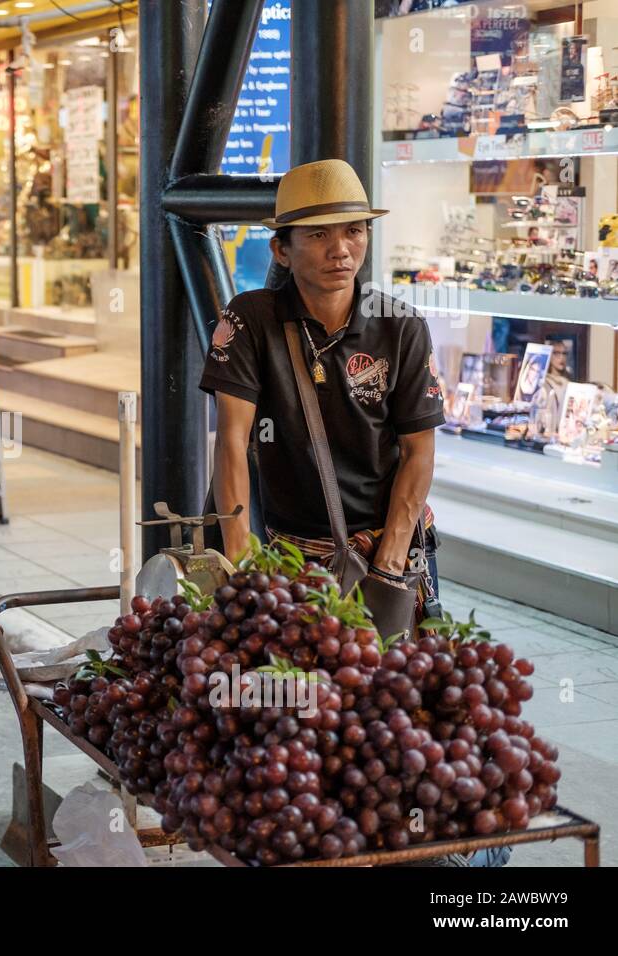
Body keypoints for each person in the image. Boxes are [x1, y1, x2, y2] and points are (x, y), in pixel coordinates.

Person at [201, 159, 508, 866]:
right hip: (294, 562)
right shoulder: (248, 320)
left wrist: (393, 558)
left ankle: (447, 860)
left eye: (353, 232)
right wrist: (244, 564)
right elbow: (233, 447)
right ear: (281, 249)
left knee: (408, 722)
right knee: (305, 729)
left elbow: (420, 454)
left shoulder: (399, 327)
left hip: (388, 555)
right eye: (318, 236)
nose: (341, 249)